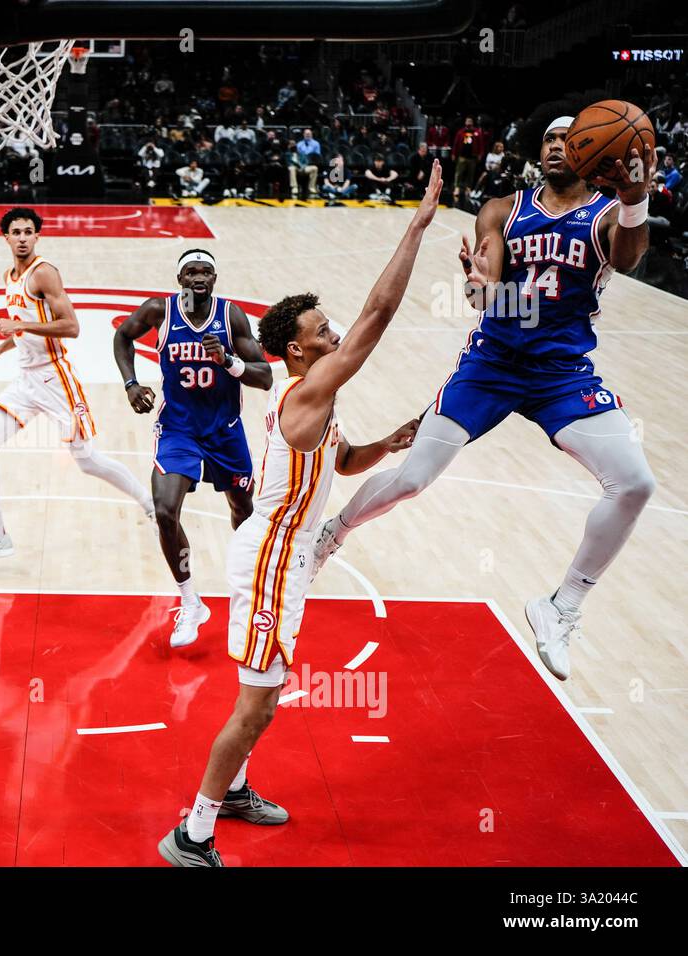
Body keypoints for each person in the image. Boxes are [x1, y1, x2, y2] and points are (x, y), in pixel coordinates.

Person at [158, 162, 442, 867]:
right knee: (256, 704)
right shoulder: (308, 390)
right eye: (322, 327)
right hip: (270, 561)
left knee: (269, 692)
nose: (335, 329)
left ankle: (238, 790)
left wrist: (390, 442)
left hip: (290, 558)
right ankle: (192, 831)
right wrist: (416, 226)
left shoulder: (319, 403)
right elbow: (377, 318)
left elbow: (341, 465)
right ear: (297, 349)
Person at [313, 117, 658, 682]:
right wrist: (476, 285)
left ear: (590, 150)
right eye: (548, 139)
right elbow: (485, 297)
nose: (554, 147)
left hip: (562, 373)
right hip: (491, 365)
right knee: (411, 478)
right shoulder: (503, 208)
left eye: (567, 140)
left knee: (636, 484)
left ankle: (562, 605)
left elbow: (626, 259)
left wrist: (636, 198)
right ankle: (333, 535)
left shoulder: (606, 211)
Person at [0, 208, 153, 561]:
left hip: (56, 379)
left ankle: (151, 503)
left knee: (87, 460)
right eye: (16, 232)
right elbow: (23, 323)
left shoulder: (44, 273)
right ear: (5, 237)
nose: (23, 237)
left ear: (38, 236)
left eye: (29, 231)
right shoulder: (10, 276)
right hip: (26, 380)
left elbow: (71, 326)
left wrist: (20, 329)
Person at [113, 250, 272, 647]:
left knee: (243, 509)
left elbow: (265, 377)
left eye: (206, 271)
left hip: (224, 431)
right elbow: (122, 336)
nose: (198, 277)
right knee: (165, 510)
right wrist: (132, 384)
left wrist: (229, 360)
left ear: (215, 277)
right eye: (191, 271)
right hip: (178, 431)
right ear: (180, 277)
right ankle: (190, 602)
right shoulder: (158, 311)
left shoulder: (231, 316)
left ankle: (248, 585)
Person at [290, 127, 321, 199]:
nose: (308, 135)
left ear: (312, 134)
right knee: (291, 168)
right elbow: (296, 156)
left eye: (309, 134)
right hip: (299, 165)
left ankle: (311, 187)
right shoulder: (299, 144)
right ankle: (294, 187)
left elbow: (317, 157)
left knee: (315, 168)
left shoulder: (316, 144)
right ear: (303, 135)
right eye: (306, 134)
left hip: (308, 165)